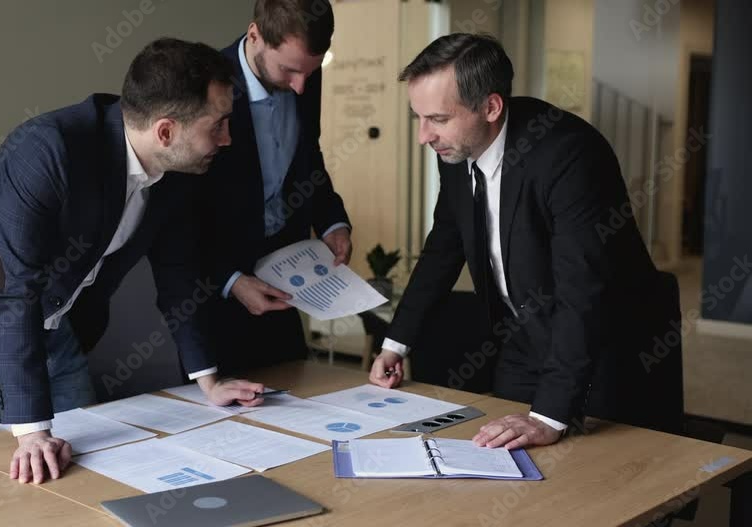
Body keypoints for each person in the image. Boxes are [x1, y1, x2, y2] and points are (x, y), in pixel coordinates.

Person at [0, 38, 265, 484]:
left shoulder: (176, 171)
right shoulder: (49, 149)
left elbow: (177, 273)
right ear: (165, 131)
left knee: (88, 473)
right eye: (218, 124)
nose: (227, 138)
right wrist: (30, 432)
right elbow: (12, 291)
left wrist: (209, 380)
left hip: (58, 324)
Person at [370, 33, 672, 449]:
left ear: (491, 107)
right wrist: (395, 343)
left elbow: (582, 290)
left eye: (438, 119)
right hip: (523, 339)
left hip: (602, 349)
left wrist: (548, 416)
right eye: (417, 118)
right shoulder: (458, 151)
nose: (424, 136)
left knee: (594, 484)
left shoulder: (570, 155)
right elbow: (443, 249)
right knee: (503, 458)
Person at [200, 0, 352, 375]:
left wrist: (332, 221)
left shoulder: (304, 73)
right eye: (289, 71)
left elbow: (307, 155)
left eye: (310, 72)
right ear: (255, 36)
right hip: (216, 289)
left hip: (287, 277)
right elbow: (182, 209)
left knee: (296, 396)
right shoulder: (204, 85)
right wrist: (230, 280)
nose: (301, 86)